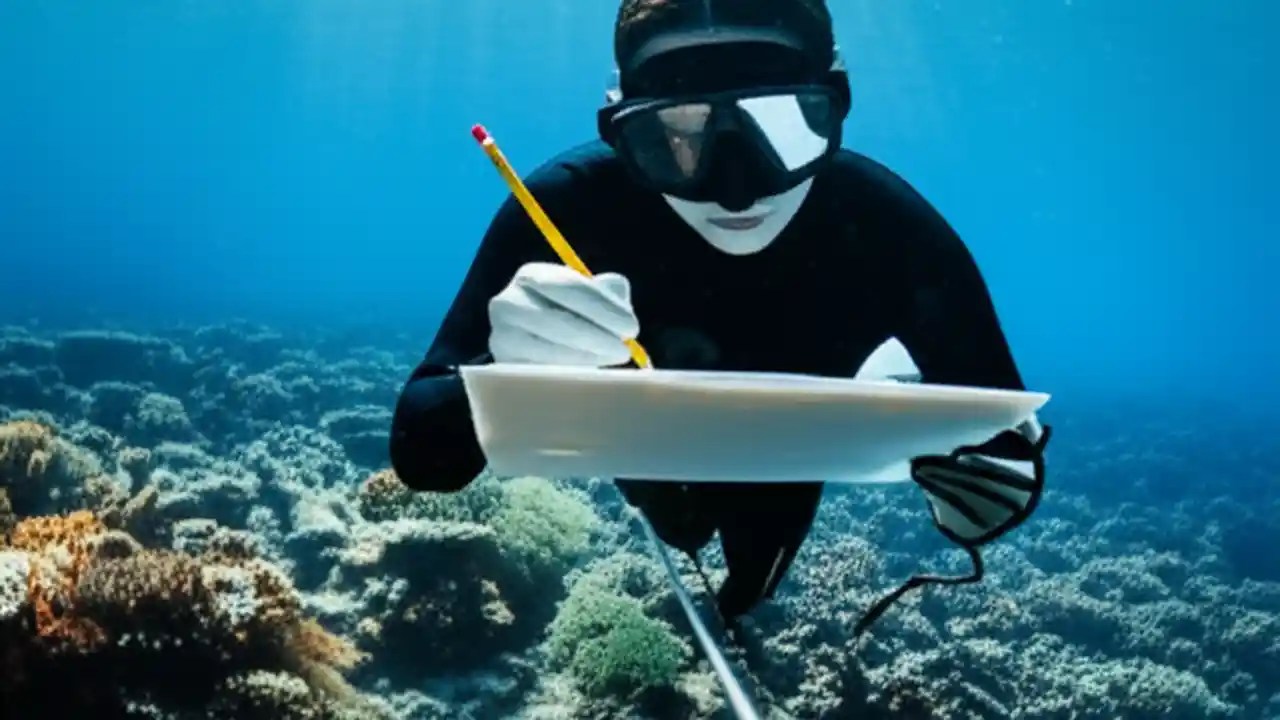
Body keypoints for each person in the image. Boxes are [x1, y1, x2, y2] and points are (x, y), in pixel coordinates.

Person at [389, 0, 1052, 632]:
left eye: (783, 130)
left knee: (751, 584)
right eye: (675, 137)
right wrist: (492, 374)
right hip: (646, 454)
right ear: (622, 126)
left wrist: (974, 495)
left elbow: (1003, 445)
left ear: (834, 105)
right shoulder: (569, 208)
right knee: (675, 522)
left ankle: (736, 605)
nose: (738, 187)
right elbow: (424, 456)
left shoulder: (890, 232)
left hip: (783, 471)